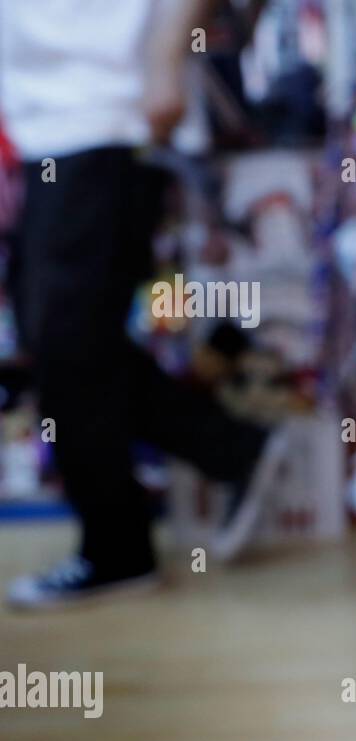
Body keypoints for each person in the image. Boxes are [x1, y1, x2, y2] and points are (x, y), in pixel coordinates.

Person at [1, 0, 289, 610]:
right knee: (63, 340)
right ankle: (231, 448)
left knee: (67, 341)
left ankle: (117, 550)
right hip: (53, 124)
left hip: (108, 117)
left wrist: (163, 61)